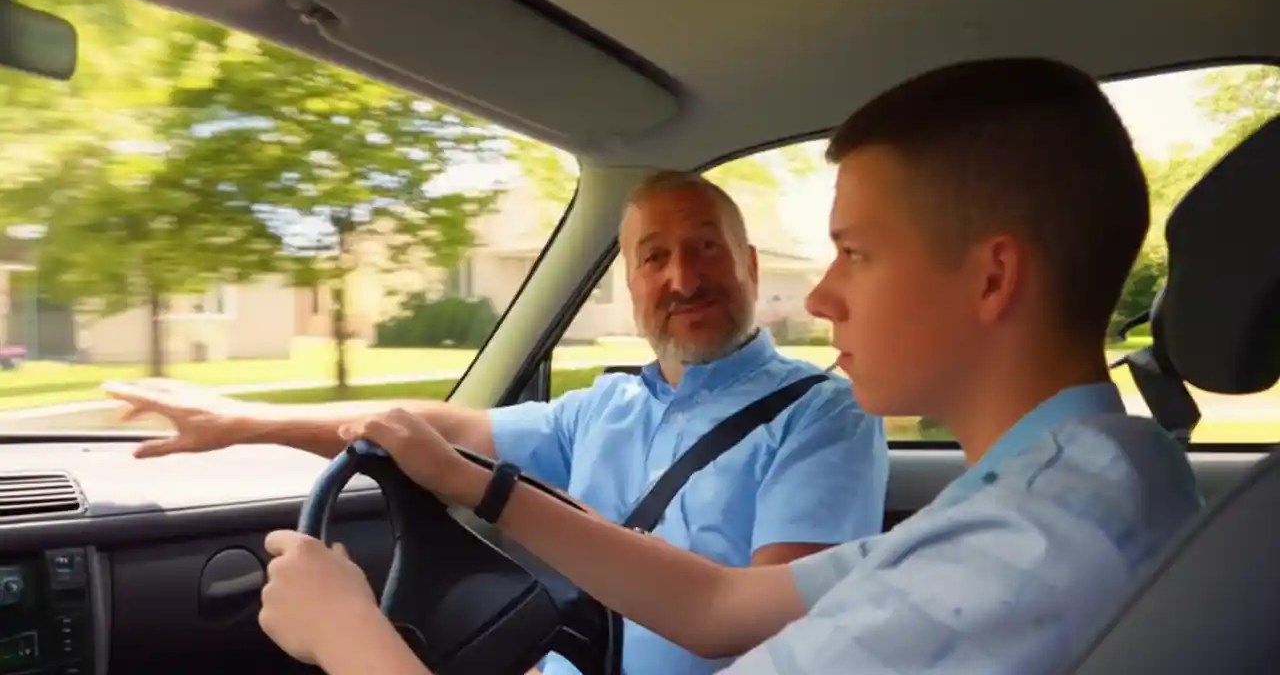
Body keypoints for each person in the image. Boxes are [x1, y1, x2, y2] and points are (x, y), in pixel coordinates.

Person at [254, 56, 1205, 675]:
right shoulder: (1062, 491)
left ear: (992, 275)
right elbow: (718, 607)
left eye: (857, 253)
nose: (824, 296)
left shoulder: (1025, 558)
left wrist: (351, 640)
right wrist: (479, 487)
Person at [106, 172, 887, 675]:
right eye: (655, 258)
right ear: (631, 282)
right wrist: (245, 421)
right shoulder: (600, 408)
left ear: (750, 264)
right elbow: (438, 429)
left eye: (706, 249)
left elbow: (770, 639)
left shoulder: (824, 412)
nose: (682, 277)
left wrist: (349, 635)